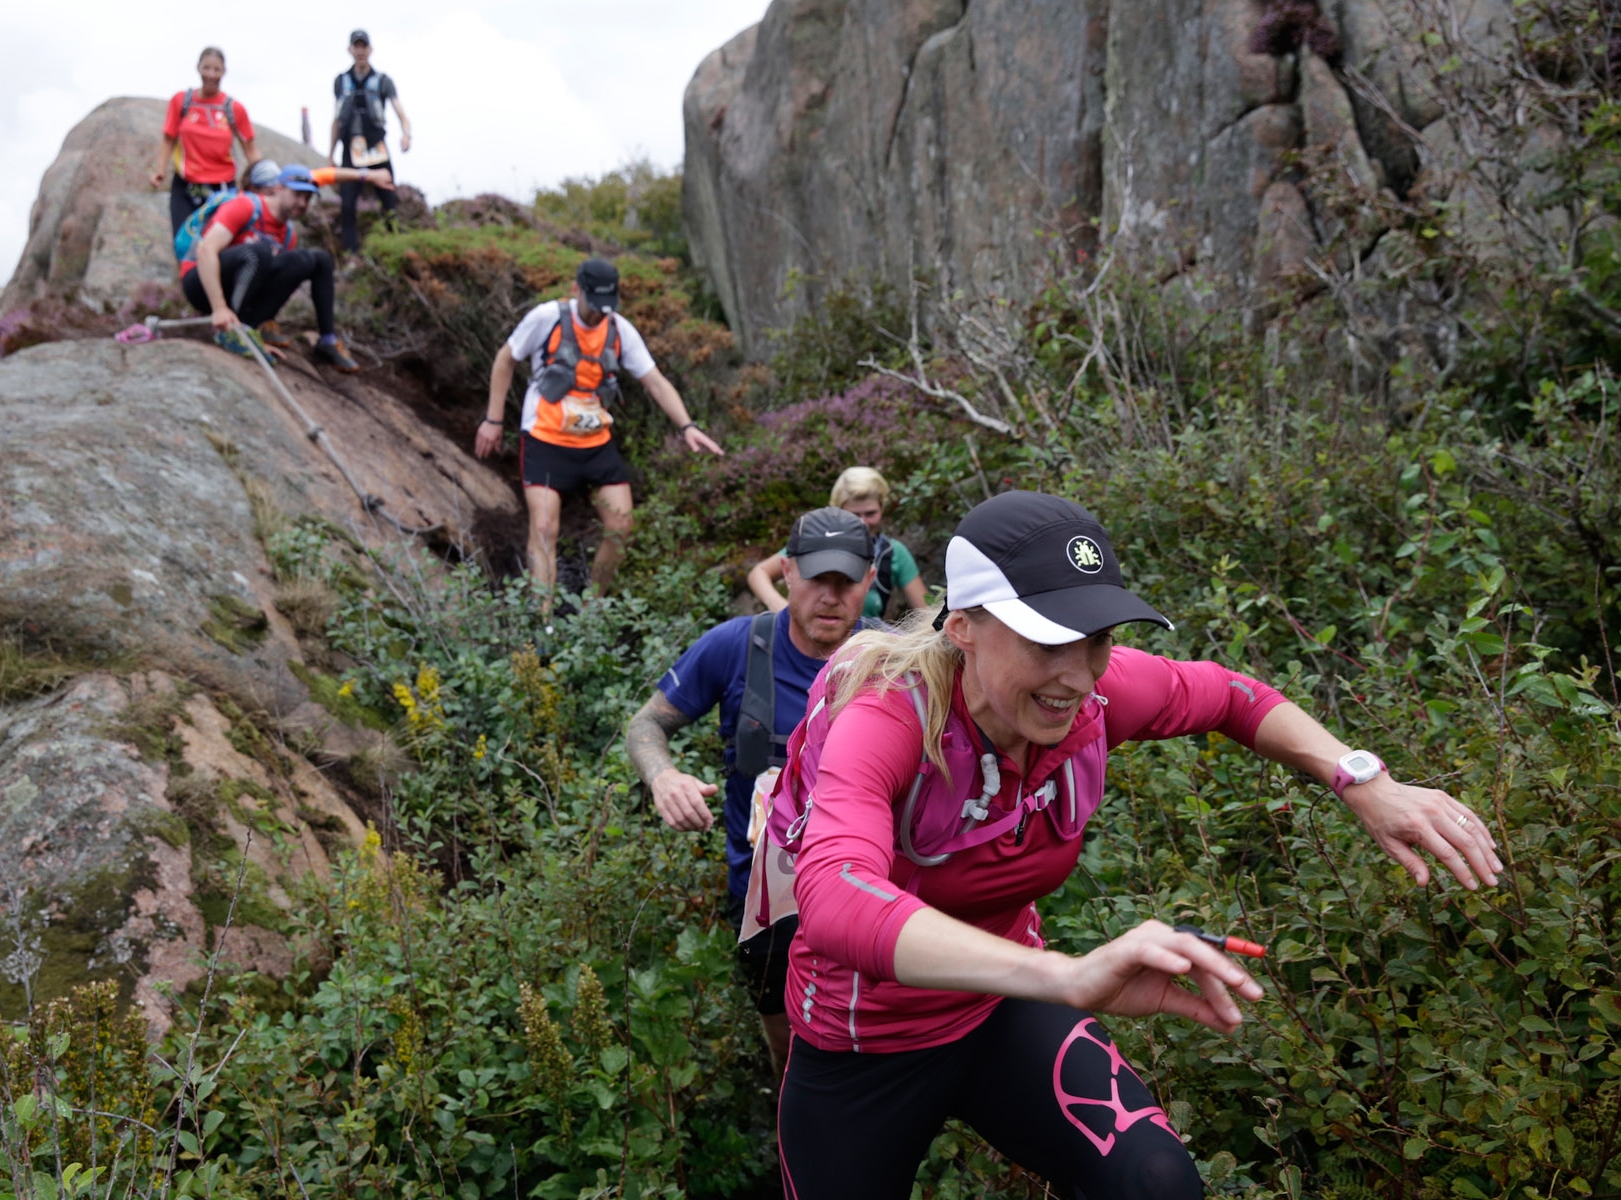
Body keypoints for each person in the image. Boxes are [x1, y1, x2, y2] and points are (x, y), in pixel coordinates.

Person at [769, 490, 1505, 1199]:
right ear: (963, 625)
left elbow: (1229, 695)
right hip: (863, 1043)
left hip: (1000, 1005)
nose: (1078, 675)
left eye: (1097, 639)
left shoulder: (1091, 698)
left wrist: (1361, 779)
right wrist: (1065, 975)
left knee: (1157, 1181)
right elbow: (835, 895)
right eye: (1046, 637)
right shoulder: (885, 718)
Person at [626, 507, 878, 1078]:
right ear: (786, 572)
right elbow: (646, 726)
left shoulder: (894, 658)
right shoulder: (734, 647)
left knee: (869, 1045)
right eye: (817, 578)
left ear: (869, 579)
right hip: (765, 899)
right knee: (788, 1044)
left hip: (873, 890)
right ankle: (789, 1126)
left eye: (846, 581)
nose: (830, 596)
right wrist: (663, 776)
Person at [475, 258, 723, 603]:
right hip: (545, 438)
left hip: (595, 442)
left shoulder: (619, 330)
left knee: (620, 526)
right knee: (545, 527)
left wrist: (688, 426)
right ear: (576, 290)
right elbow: (506, 358)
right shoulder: (547, 318)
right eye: (594, 305)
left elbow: (655, 382)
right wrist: (493, 419)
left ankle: (593, 608)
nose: (599, 314)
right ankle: (542, 624)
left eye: (607, 307)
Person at [179, 164, 359, 373]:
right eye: (297, 194)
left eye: (307, 198)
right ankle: (234, 333)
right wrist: (219, 308)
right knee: (259, 252)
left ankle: (326, 340)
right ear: (279, 189)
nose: (302, 203)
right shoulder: (246, 206)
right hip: (201, 282)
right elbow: (206, 250)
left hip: (240, 292)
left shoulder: (288, 235)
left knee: (315, 259)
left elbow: (268, 282)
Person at [747, 466, 927, 621]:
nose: (863, 523)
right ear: (838, 510)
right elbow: (759, 573)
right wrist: (780, 607)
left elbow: (926, 613)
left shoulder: (893, 553)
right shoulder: (817, 545)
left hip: (864, 649)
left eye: (870, 513)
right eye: (854, 515)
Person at [149, 47, 261, 238]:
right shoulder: (182, 101)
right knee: (183, 242)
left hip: (221, 186)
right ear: (198, 68)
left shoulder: (233, 109)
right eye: (206, 68)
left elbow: (250, 150)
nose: (211, 74)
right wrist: (160, 170)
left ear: (224, 72)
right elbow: (168, 139)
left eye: (216, 70)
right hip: (185, 184)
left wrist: (263, 180)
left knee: (216, 243)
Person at [330, 29, 412, 255]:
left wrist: (406, 135)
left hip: (376, 146)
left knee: (389, 202)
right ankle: (351, 254)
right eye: (356, 46)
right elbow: (336, 120)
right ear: (350, 50)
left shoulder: (383, 81)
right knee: (347, 205)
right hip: (350, 148)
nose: (360, 51)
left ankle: (396, 248)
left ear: (370, 49)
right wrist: (330, 154)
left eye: (363, 46)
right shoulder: (341, 81)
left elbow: (401, 114)